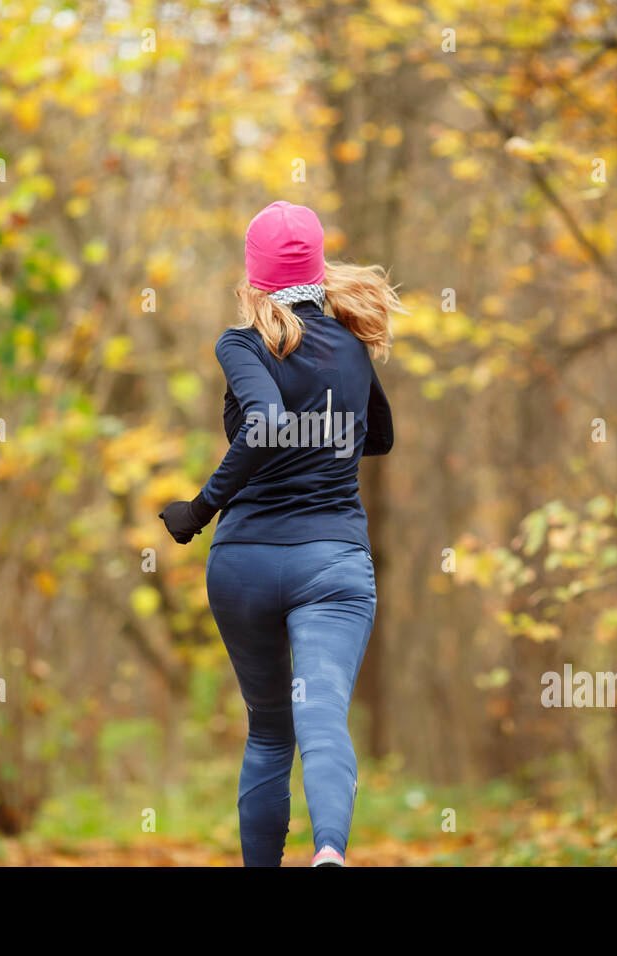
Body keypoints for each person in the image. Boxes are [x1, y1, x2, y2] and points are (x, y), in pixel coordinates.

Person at [159, 200, 402, 867]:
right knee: (321, 717)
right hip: (332, 565)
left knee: (269, 731)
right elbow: (378, 437)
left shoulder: (241, 344)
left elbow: (262, 421)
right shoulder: (351, 346)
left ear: (254, 278)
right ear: (317, 270)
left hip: (246, 565)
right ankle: (329, 853)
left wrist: (200, 508)